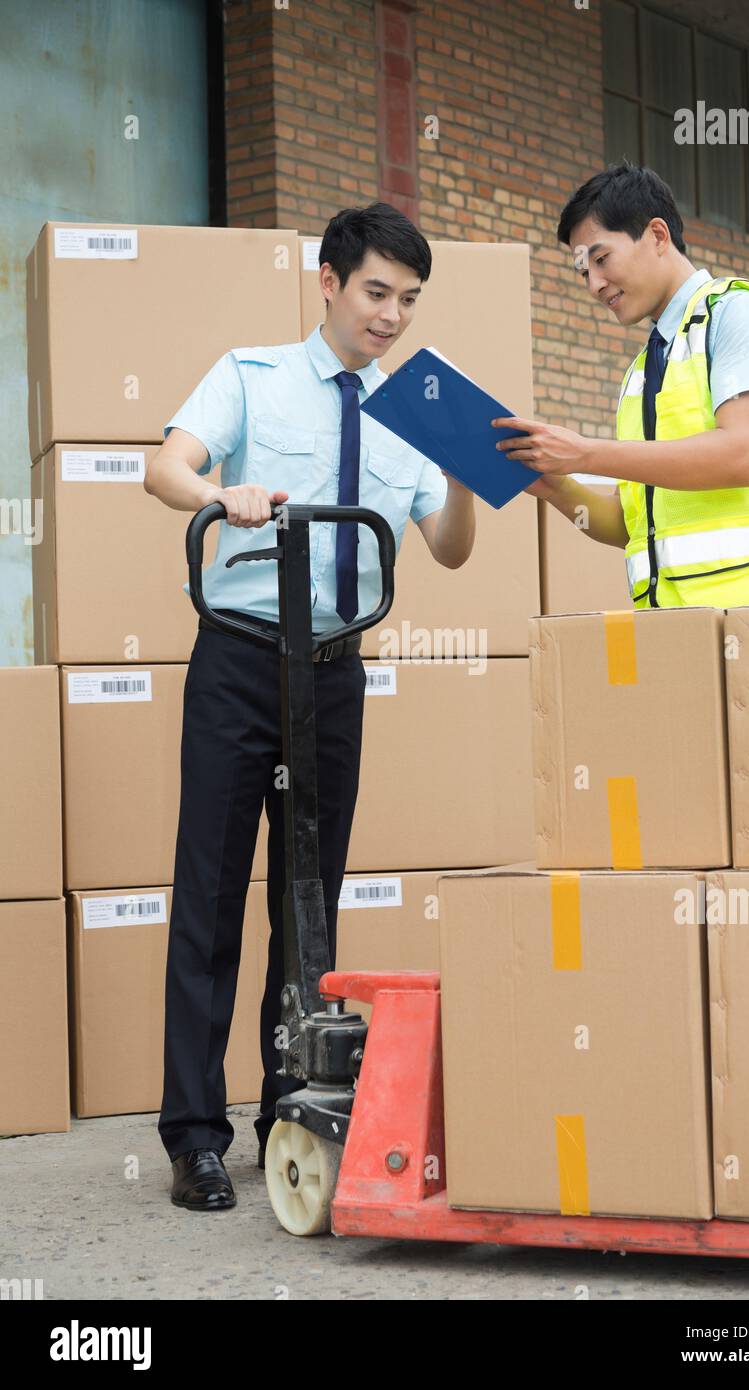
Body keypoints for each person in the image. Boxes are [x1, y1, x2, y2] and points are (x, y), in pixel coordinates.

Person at [144, 202, 476, 1211]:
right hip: (240, 659)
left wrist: (464, 470)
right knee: (208, 893)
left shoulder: (411, 407)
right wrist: (217, 492)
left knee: (308, 899)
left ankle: (287, 1101)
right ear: (326, 282)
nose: (389, 317)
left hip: (334, 669)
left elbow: (450, 548)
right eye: (375, 292)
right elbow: (166, 464)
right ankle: (194, 1136)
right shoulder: (250, 375)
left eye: (407, 301)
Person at [493, 161, 749, 608]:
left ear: (658, 235)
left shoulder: (738, 312)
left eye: (601, 259)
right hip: (677, 635)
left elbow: (744, 455)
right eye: (583, 272)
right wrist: (556, 487)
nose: (594, 285)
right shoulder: (641, 372)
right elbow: (629, 525)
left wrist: (586, 453)